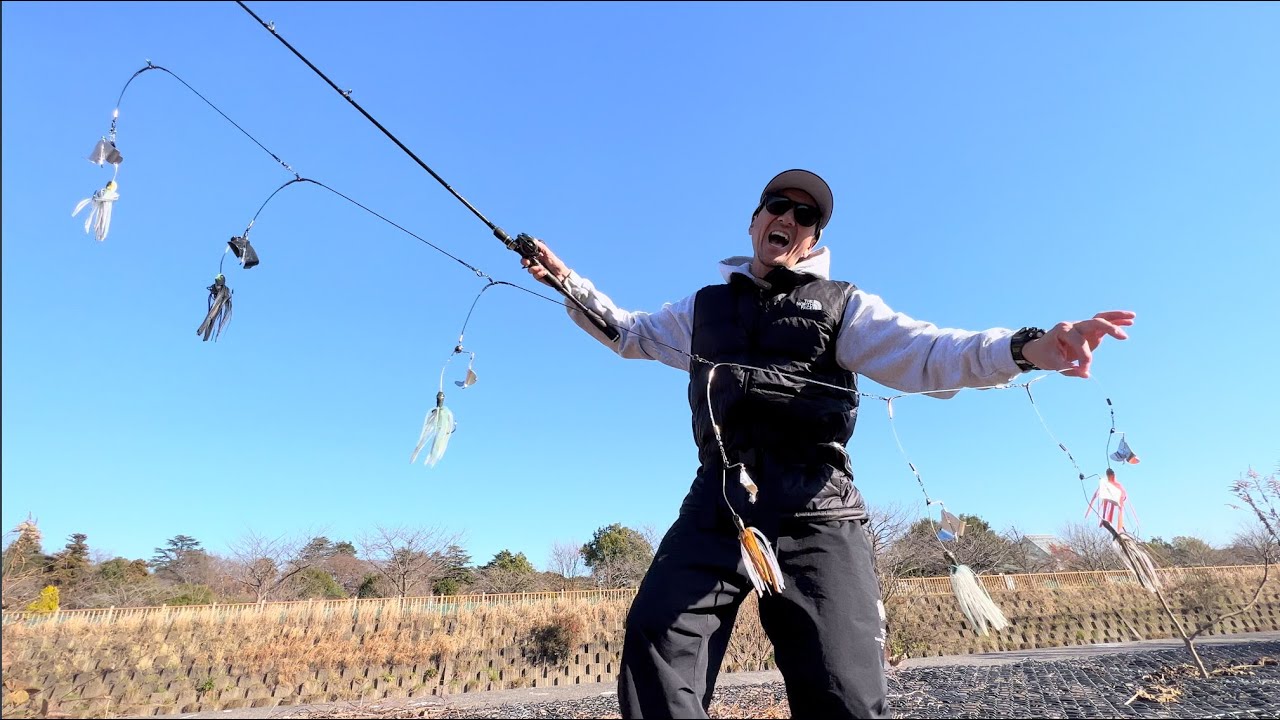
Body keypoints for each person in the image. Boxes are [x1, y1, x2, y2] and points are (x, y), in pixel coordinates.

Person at [521, 169, 1135, 719]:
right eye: (776, 205)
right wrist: (564, 279)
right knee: (657, 639)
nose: (787, 217)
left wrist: (1027, 348)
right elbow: (627, 332)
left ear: (813, 240)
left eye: (805, 214)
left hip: (817, 502)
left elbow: (929, 351)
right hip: (719, 498)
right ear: (755, 220)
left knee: (842, 690)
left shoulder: (844, 306)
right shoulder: (702, 308)